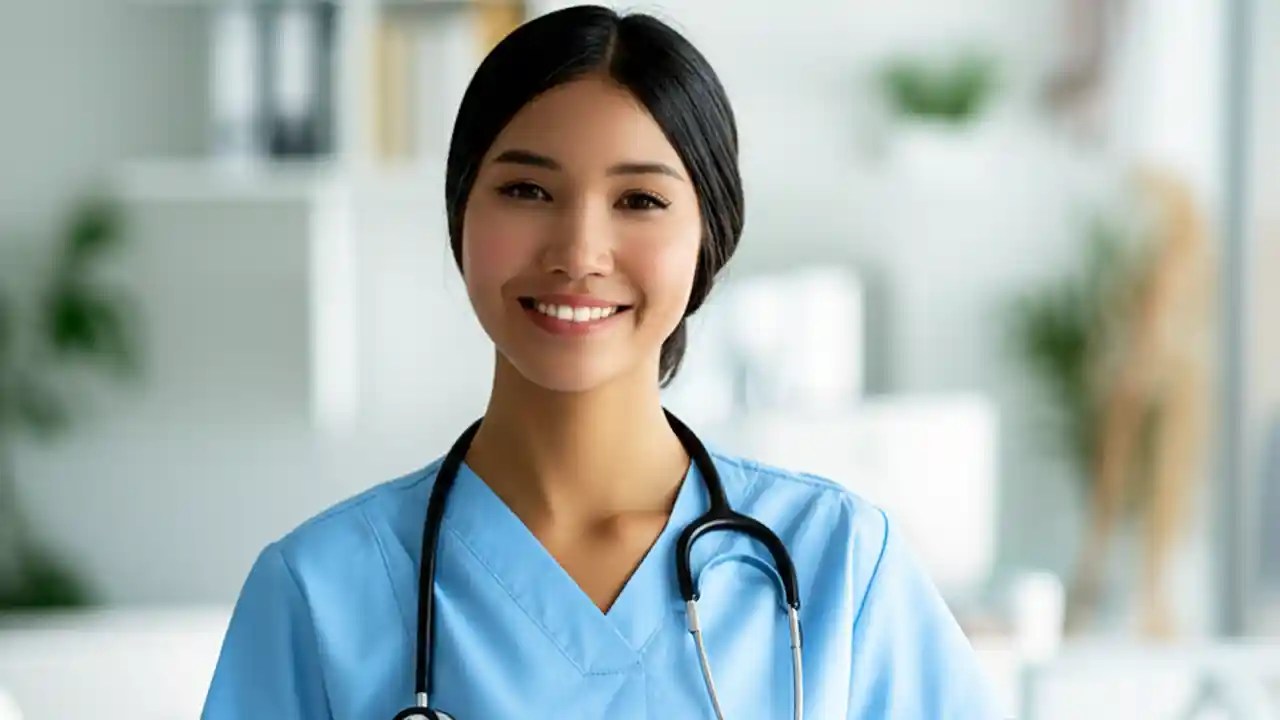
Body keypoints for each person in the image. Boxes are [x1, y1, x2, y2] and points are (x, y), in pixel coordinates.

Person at [201, 5, 1004, 719]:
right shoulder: (320, 593)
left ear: (707, 238)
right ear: (460, 216)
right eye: (526, 190)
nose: (579, 252)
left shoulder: (837, 567)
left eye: (640, 201)